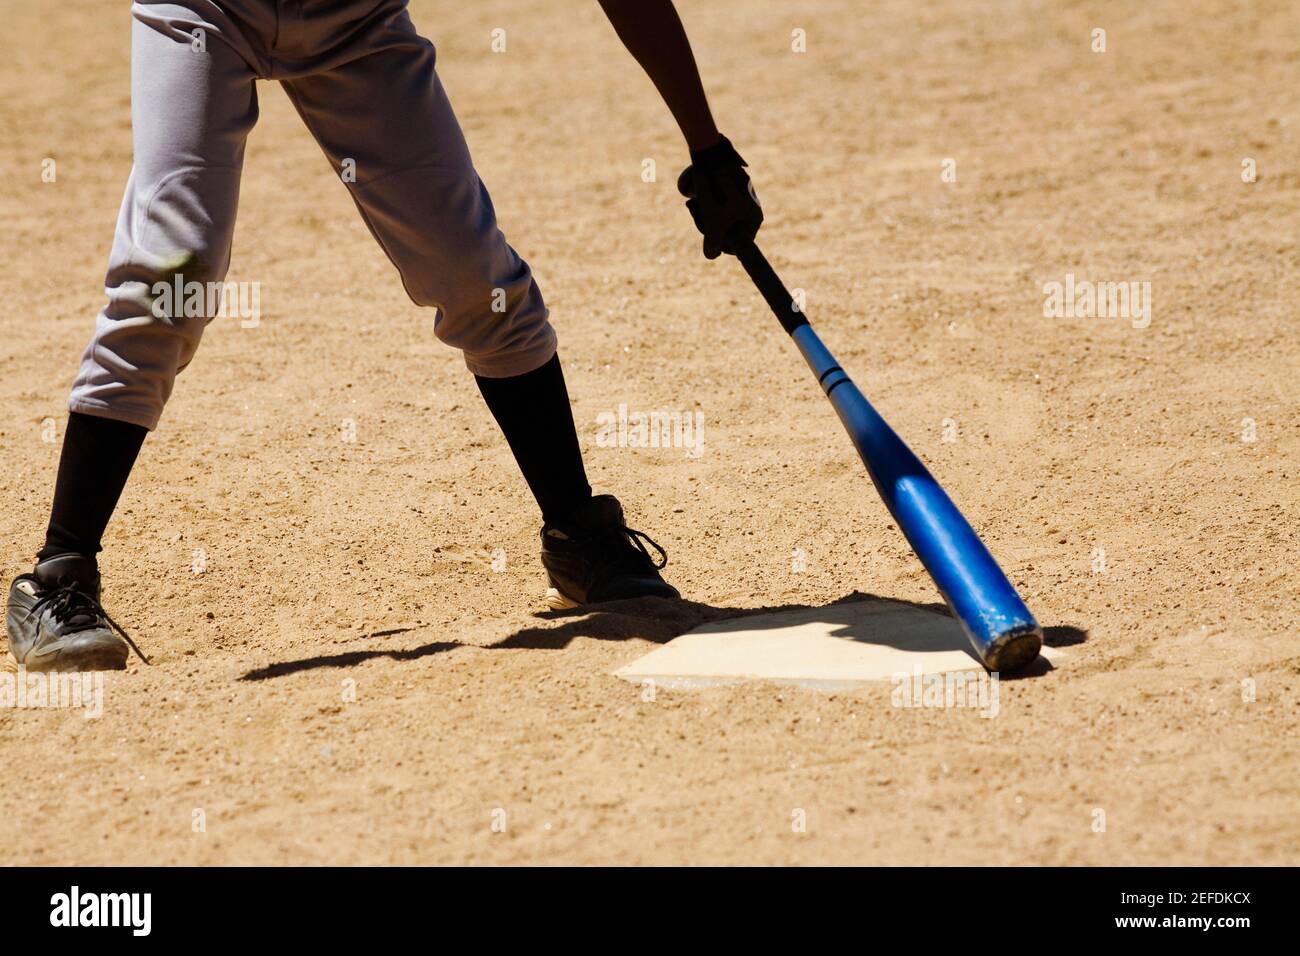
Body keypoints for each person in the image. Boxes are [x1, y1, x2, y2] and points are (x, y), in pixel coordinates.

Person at [5, 0, 764, 672]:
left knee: (476, 278)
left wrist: (705, 143)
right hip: (205, 11)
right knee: (175, 277)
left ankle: (579, 536)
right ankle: (59, 574)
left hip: (354, 19)